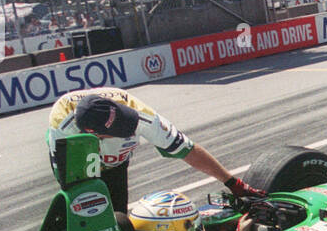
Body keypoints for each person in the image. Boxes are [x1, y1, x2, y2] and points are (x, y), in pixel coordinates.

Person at [46, 87, 264, 220]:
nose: (130, 130)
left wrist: (232, 182)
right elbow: (73, 185)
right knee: (86, 215)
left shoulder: (140, 116)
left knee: (118, 218)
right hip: (79, 157)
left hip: (116, 164)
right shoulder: (64, 129)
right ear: (95, 134)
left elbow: (187, 150)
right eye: (120, 131)